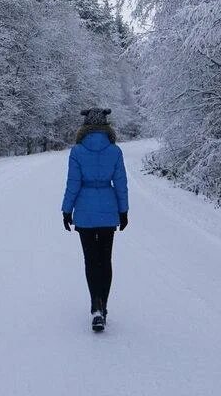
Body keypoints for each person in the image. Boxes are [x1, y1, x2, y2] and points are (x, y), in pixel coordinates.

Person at [61, 107, 129, 332]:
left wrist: (66, 210)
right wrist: (123, 211)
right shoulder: (114, 151)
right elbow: (121, 183)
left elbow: (73, 183)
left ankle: (95, 307)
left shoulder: (78, 151)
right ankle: (105, 306)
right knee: (105, 259)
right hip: (108, 210)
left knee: (90, 260)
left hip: (85, 213)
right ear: (106, 125)